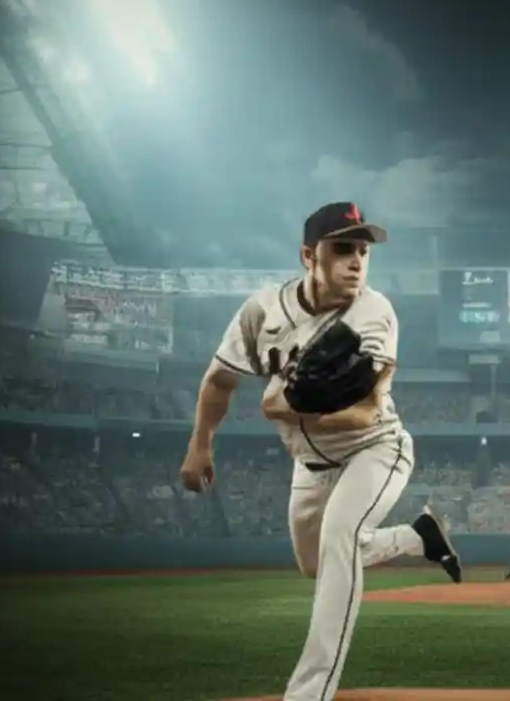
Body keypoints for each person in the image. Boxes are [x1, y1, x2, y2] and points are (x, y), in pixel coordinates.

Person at [178, 202, 462, 701]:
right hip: (308, 469)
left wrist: (286, 406)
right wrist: (200, 444)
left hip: (375, 449)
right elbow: (219, 381)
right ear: (310, 255)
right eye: (342, 249)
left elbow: (366, 411)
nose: (357, 260)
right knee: (317, 564)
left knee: (339, 540)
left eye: (363, 250)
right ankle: (417, 538)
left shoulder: (374, 312)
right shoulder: (263, 311)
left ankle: (309, 692)